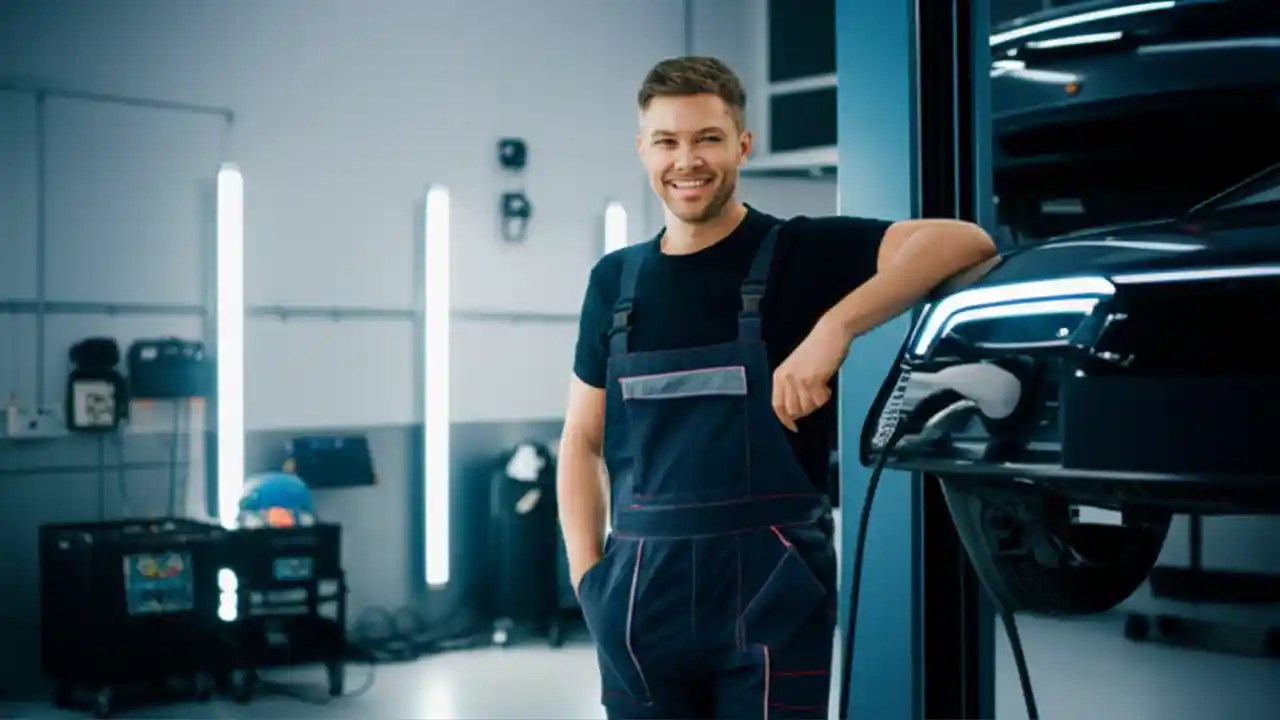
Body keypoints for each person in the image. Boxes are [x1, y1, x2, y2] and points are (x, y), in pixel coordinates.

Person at [557, 55, 998, 719]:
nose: (688, 161)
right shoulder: (615, 283)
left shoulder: (800, 252)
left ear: (742, 143)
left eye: (707, 137)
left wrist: (834, 328)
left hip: (773, 592)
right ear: (643, 149)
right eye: (668, 141)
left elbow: (964, 241)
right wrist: (588, 579)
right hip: (638, 596)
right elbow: (581, 441)